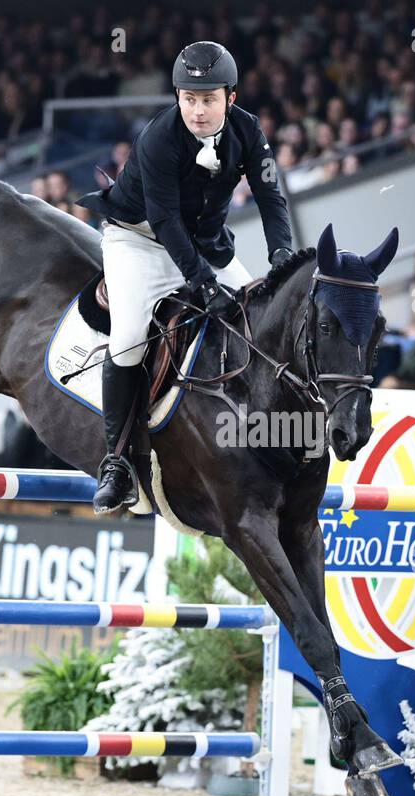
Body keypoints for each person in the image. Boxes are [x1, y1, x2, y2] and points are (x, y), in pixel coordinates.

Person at [76, 41, 293, 513]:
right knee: (130, 337)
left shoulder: (250, 132)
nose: (197, 110)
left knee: (261, 324)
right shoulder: (157, 138)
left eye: (208, 99)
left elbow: (272, 197)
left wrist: (282, 255)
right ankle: (116, 463)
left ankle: (269, 437)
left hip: (205, 244)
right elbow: (167, 222)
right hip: (139, 240)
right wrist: (203, 284)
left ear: (230, 99)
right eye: (189, 99)